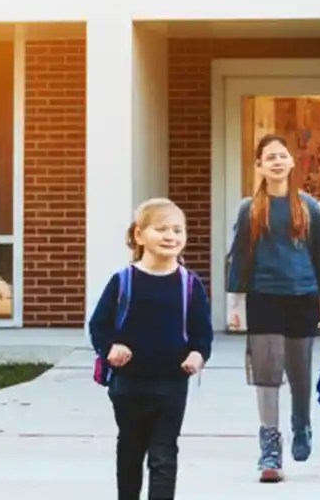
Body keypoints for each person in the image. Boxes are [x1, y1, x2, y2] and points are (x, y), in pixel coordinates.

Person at [88, 198, 213, 500]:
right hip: (128, 384)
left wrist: (198, 354)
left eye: (177, 230)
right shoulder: (123, 281)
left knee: (164, 455)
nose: (171, 236)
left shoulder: (189, 284)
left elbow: (202, 332)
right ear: (139, 235)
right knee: (131, 451)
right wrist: (110, 348)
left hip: (171, 383)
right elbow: (99, 325)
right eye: (161, 229)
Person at [227, 134, 320, 483]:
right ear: (259, 165)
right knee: (267, 371)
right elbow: (239, 255)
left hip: (302, 295)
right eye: (269, 157)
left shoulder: (308, 207)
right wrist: (235, 300)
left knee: (299, 371)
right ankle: (270, 446)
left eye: (282, 156)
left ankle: (301, 424)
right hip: (263, 296)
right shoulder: (250, 208)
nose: (276, 161)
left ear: (292, 163)